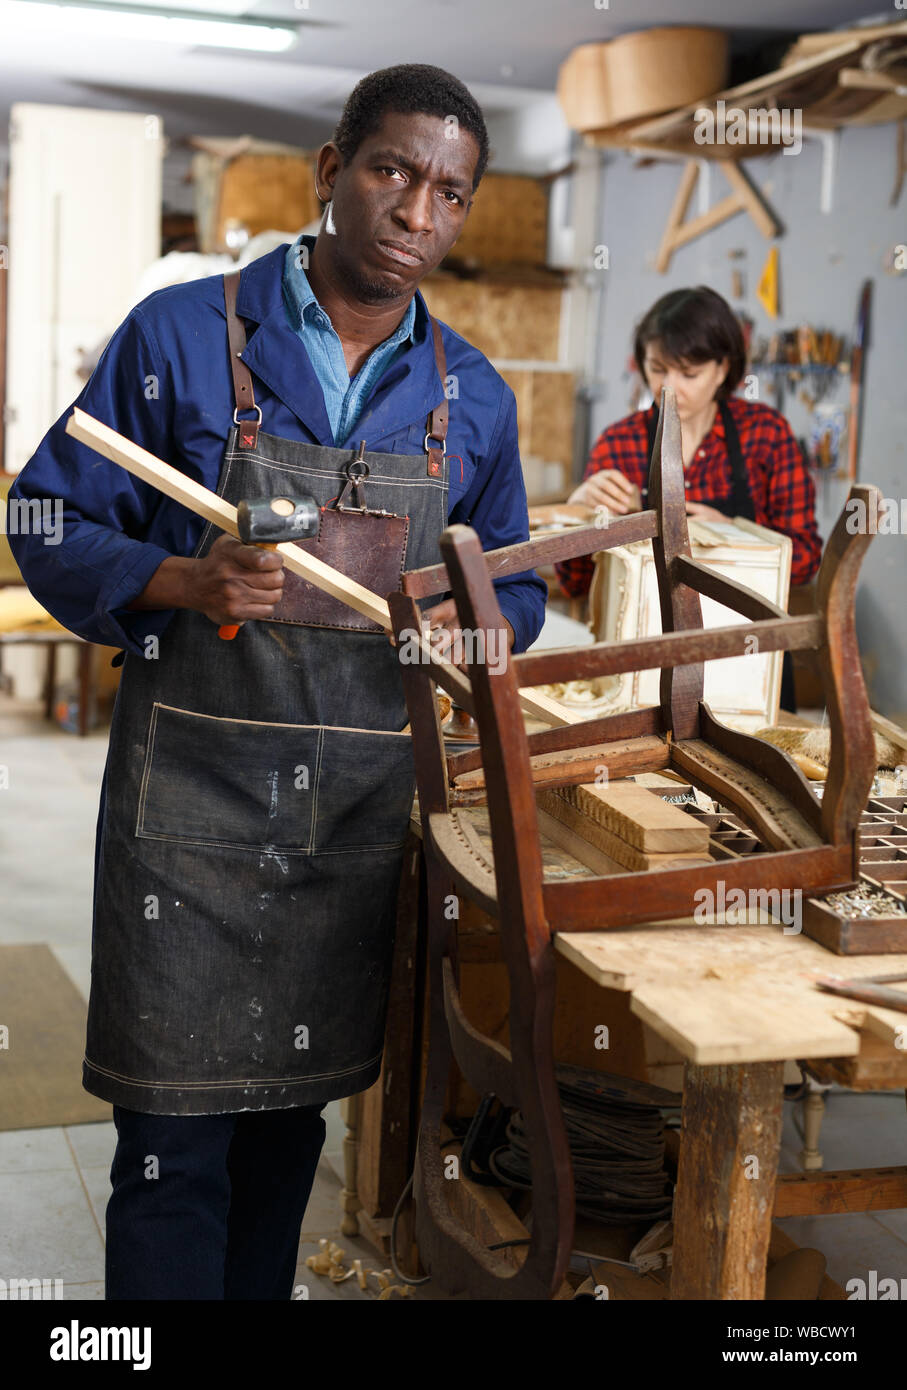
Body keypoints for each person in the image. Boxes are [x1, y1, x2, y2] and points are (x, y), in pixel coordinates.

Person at [8, 63, 546, 1300]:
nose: (417, 214)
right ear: (331, 171)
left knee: (284, 1139)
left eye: (449, 194)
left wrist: (458, 632)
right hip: (188, 821)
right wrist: (180, 581)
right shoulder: (183, 338)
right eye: (392, 172)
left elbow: (510, 591)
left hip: (350, 833)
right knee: (172, 1147)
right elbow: (43, 509)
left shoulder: (470, 400)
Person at [555, 286, 821, 708]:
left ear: (723, 369)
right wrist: (580, 512)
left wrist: (734, 536)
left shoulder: (766, 436)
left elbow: (805, 559)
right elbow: (575, 582)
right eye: (658, 368)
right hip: (640, 671)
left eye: (689, 373)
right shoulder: (619, 443)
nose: (670, 387)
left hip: (748, 665)